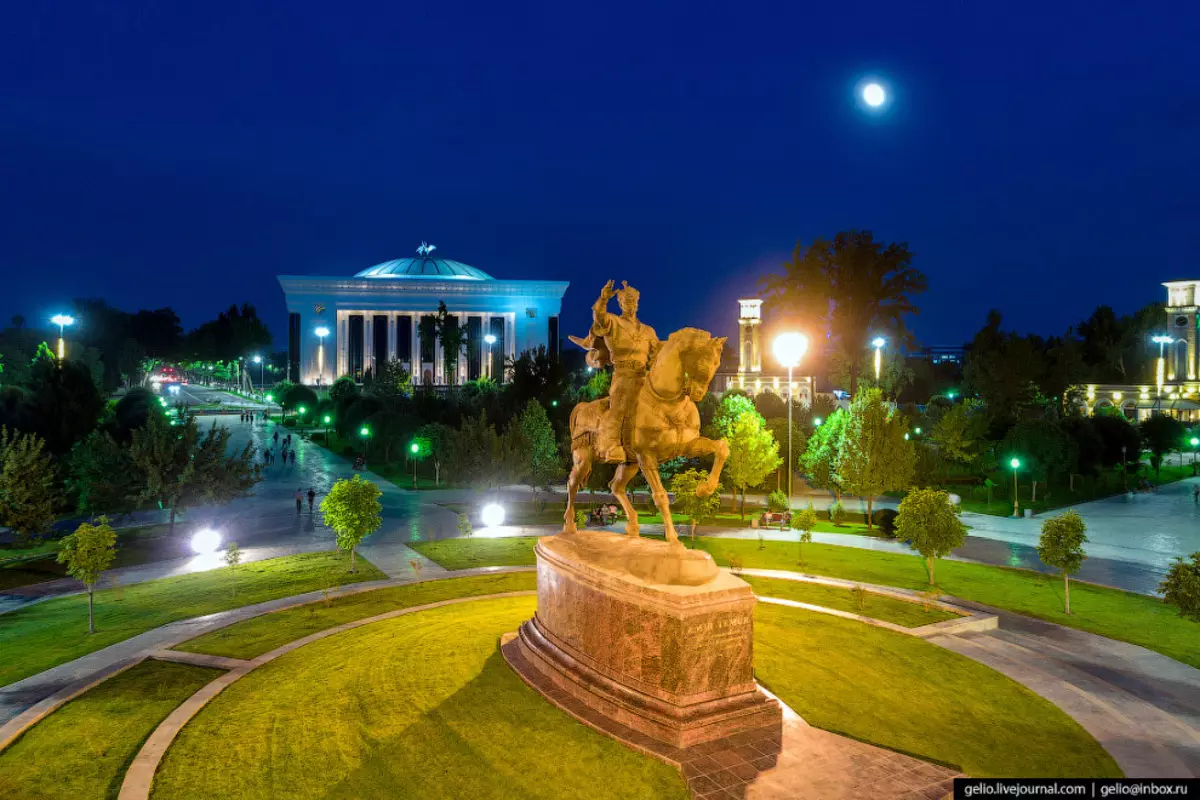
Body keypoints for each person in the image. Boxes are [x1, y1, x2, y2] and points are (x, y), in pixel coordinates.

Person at [570, 280, 659, 463]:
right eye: (627, 302)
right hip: (623, 376)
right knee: (619, 405)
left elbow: (658, 350)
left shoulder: (648, 331)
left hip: (644, 377)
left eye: (633, 302)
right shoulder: (613, 322)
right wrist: (603, 299)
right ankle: (610, 444)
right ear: (620, 304)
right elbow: (599, 316)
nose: (631, 305)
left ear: (637, 303)